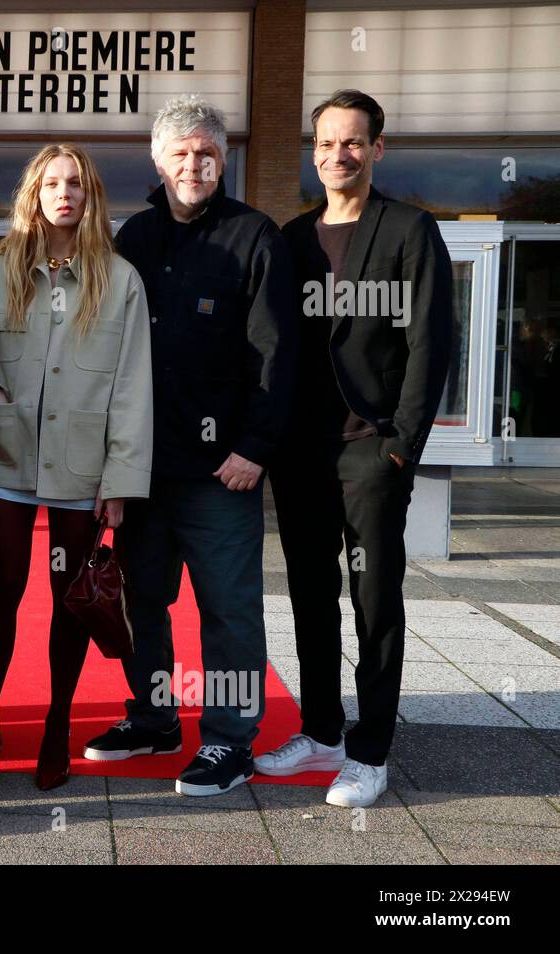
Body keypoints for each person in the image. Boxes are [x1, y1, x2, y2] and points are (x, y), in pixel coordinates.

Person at [81, 96, 298, 797]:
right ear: (158, 159)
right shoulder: (132, 241)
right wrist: (111, 465)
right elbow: (107, 356)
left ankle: (231, 739)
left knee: (228, 609)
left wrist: (255, 447)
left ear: (223, 158)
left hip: (221, 472)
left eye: (207, 153)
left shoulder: (255, 237)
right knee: (144, 599)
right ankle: (153, 716)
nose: (195, 164)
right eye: (182, 152)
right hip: (144, 469)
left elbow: (277, 354)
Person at [260, 90, 453, 808]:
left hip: (372, 449)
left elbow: (431, 344)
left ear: (376, 149)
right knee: (311, 594)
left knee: (374, 598)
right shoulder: (292, 237)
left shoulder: (407, 230)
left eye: (351, 142)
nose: (336, 154)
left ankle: (370, 750)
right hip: (303, 453)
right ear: (313, 153)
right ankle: (321, 730)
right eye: (325, 144)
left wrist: (401, 445)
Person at [0, 144, 154, 795]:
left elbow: (131, 387)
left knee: (71, 602)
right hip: (3, 461)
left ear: (89, 196)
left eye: (76, 184)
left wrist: (119, 483)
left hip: (80, 469)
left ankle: (59, 725)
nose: (64, 193)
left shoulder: (120, 280)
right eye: (51, 183)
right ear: (33, 193)